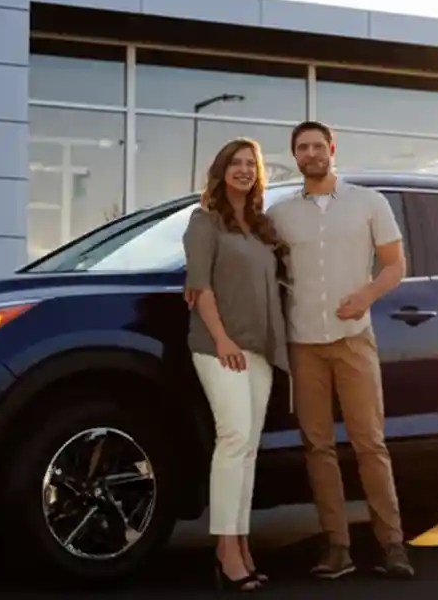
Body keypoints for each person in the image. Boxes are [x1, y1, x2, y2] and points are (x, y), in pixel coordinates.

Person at [265, 120, 415, 580]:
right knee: (318, 447)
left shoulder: (369, 203)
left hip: (354, 340)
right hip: (304, 343)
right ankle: (337, 547)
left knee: (370, 443)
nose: (310, 154)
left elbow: (395, 265)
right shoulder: (280, 215)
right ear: (295, 156)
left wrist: (366, 296)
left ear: (332, 149)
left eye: (317, 146)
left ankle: (392, 545)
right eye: (302, 148)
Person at [183, 137, 290, 592]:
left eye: (251, 164)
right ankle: (225, 549)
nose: (244, 169)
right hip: (218, 346)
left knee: (247, 448)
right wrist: (222, 338)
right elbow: (200, 287)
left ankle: (242, 544)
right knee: (232, 440)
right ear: (221, 170)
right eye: (236, 163)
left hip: (261, 348)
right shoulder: (204, 221)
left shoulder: (262, 228)